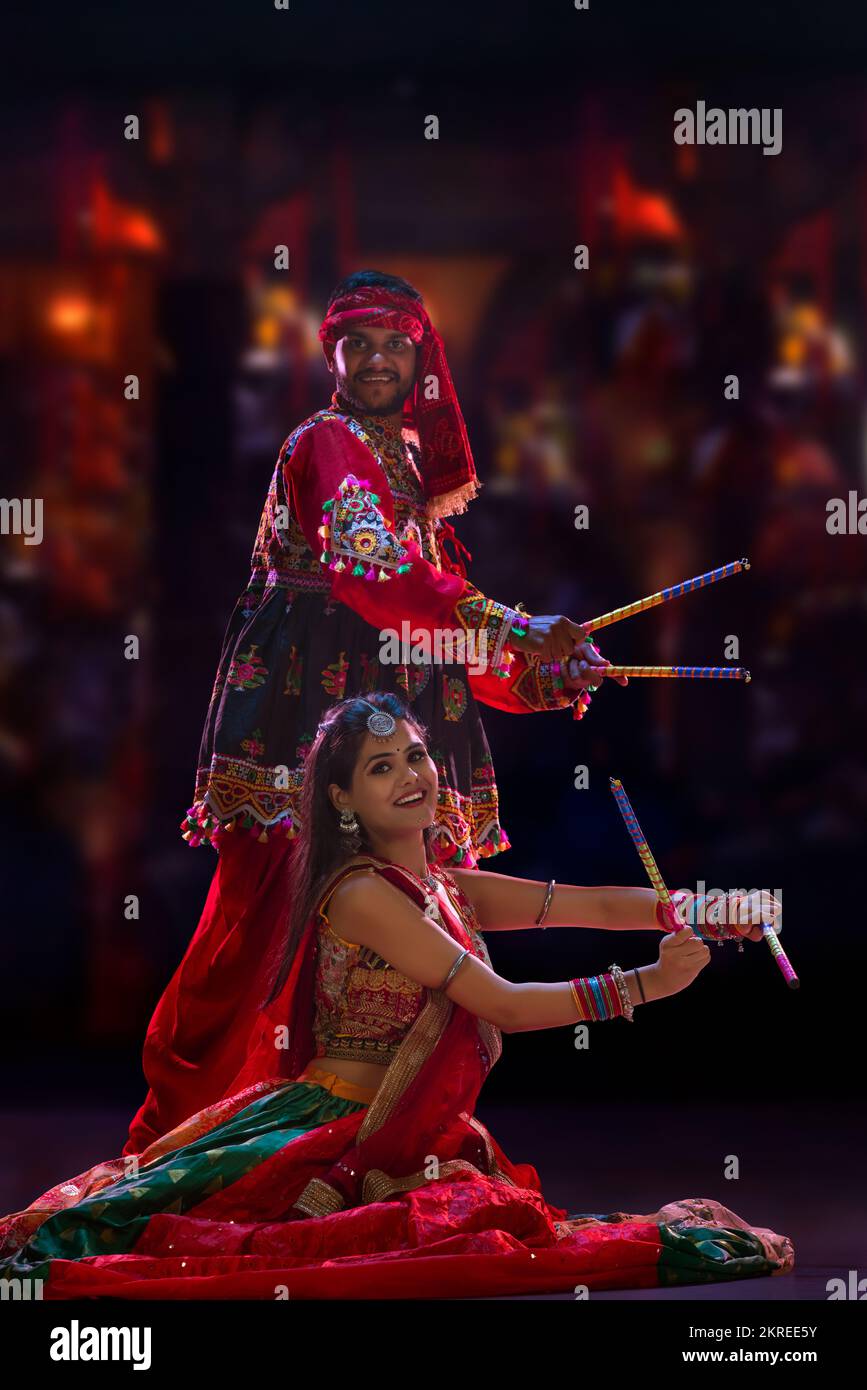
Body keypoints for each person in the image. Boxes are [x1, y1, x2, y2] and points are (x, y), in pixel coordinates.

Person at [0, 692, 793, 1299]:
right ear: (342, 800)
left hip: (416, 1138)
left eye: (415, 755)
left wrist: (705, 909)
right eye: (382, 768)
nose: (411, 777)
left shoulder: (438, 884)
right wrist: (647, 985)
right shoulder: (358, 894)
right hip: (337, 1133)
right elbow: (502, 1004)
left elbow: (581, 902)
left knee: (490, 1235)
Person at [124, 268, 624, 1156]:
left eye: (400, 344)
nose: (381, 360)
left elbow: (425, 622)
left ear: (422, 361)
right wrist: (517, 625)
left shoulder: (407, 465)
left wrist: (534, 673)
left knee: (394, 940)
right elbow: (373, 577)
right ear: (334, 354)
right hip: (298, 727)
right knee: (269, 936)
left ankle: (358, 1149)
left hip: (381, 719)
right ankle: (199, 1147)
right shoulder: (327, 443)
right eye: (363, 343)